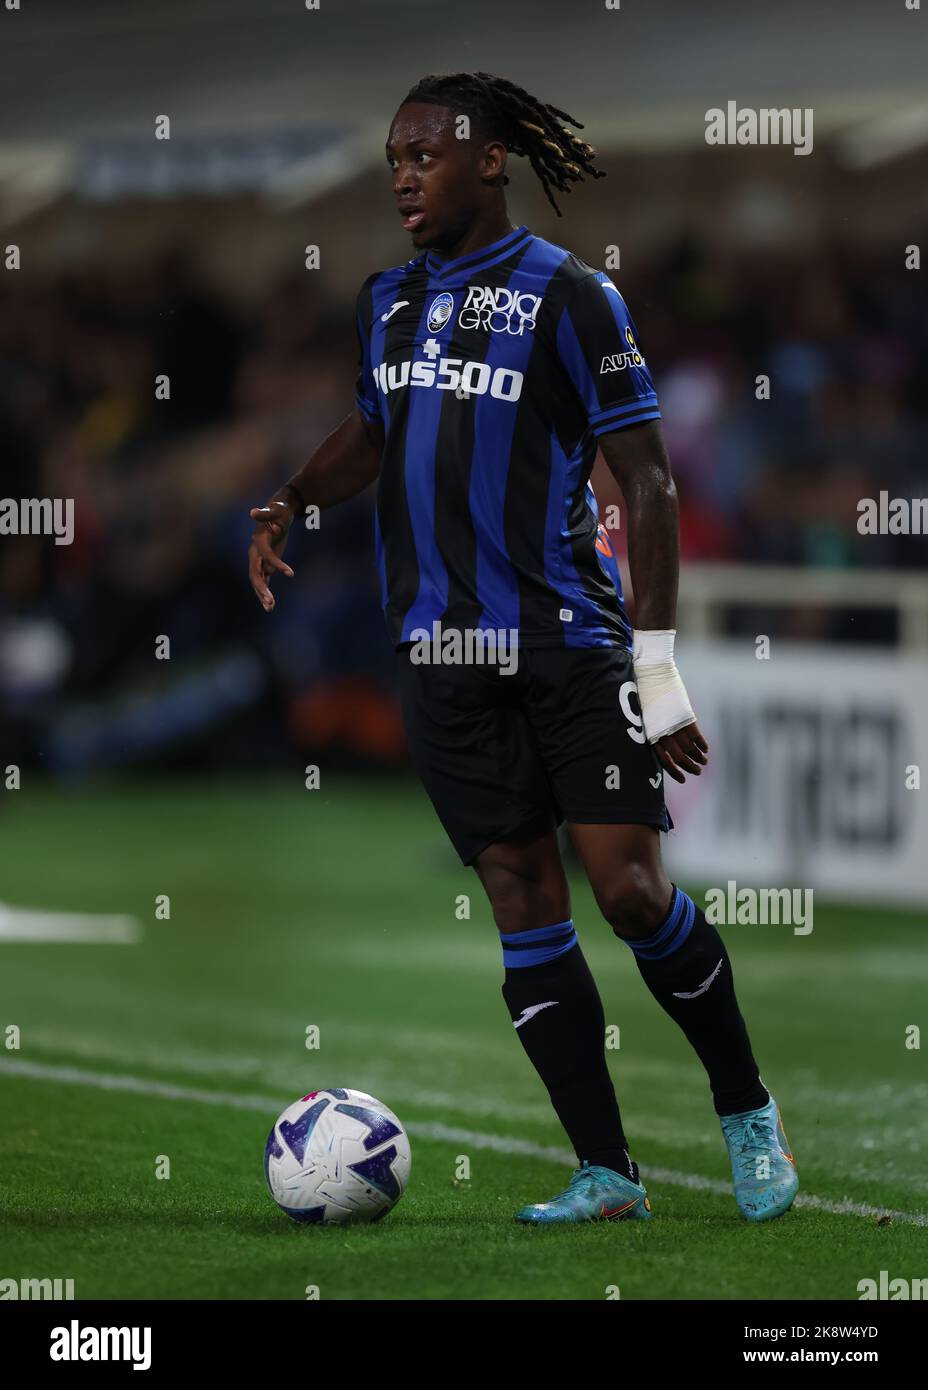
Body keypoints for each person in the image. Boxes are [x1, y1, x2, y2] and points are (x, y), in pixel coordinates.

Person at [248, 71, 798, 1226]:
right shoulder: (384, 301)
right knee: (519, 894)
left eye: (425, 152)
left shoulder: (570, 294)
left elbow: (645, 476)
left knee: (634, 894)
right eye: (392, 156)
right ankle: (607, 1171)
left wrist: (654, 664)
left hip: (566, 642)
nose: (402, 172)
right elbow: (377, 418)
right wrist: (297, 495)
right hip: (439, 658)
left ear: (490, 159)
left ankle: (747, 1112)